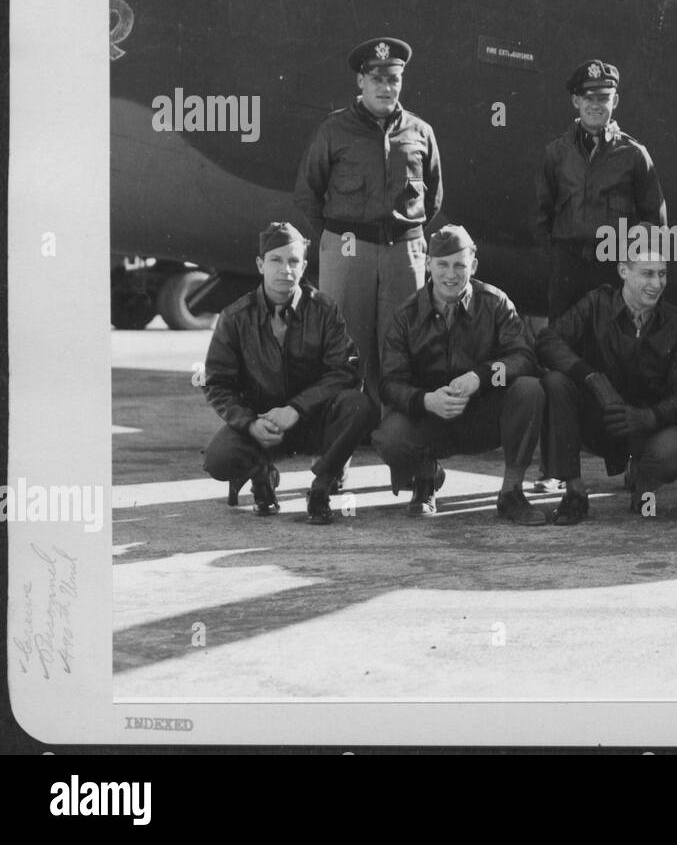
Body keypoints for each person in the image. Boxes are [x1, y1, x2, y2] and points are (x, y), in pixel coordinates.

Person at [294, 36, 443, 401]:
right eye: (377, 79)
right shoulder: (334, 129)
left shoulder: (420, 132)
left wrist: (407, 238)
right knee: (344, 343)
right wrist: (336, 237)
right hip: (348, 250)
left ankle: (390, 425)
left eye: (393, 79)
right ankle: (345, 424)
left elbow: (433, 196)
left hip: (402, 253)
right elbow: (307, 191)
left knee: (400, 343)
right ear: (361, 81)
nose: (386, 87)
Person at [202, 222, 377, 524]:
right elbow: (217, 383)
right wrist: (248, 424)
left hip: (312, 420)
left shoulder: (324, 309)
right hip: (263, 424)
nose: (286, 269)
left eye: (294, 261)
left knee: (359, 406)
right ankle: (261, 478)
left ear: (304, 265)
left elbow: (346, 370)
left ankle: (322, 486)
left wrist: (296, 409)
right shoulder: (234, 318)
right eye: (276, 260)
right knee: (219, 460)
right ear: (260, 264)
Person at [373, 225, 547, 524]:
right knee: (389, 437)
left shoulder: (495, 303)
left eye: (459, 265)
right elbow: (390, 383)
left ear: (474, 266)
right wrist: (425, 400)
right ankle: (425, 478)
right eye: (442, 265)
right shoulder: (406, 315)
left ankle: (511, 493)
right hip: (432, 417)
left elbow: (525, 358)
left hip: (483, 413)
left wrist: (482, 377)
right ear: (428, 264)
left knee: (530, 390)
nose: (450, 275)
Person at [537, 242, 677, 524]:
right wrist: (592, 378)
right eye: (647, 274)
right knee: (555, 382)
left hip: (643, 426)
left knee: (674, 450)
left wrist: (649, 416)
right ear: (623, 270)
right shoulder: (596, 303)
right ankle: (574, 491)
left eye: (662, 274)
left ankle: (644, 487)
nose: (656, 283)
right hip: (597, 417)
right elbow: (549, 340)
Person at [535, 58, 667, 322]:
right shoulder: (556, 153)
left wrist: (631, 267)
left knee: (611, 348)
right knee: (560, 345)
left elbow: (655, 221)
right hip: (568, 270)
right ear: (576, 101)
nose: (596, 105)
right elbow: (541, 214)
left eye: (603, 98)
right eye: (588, 97)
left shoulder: (634, 155)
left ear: (615, 101)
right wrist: (560, 257)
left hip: (612, 269)